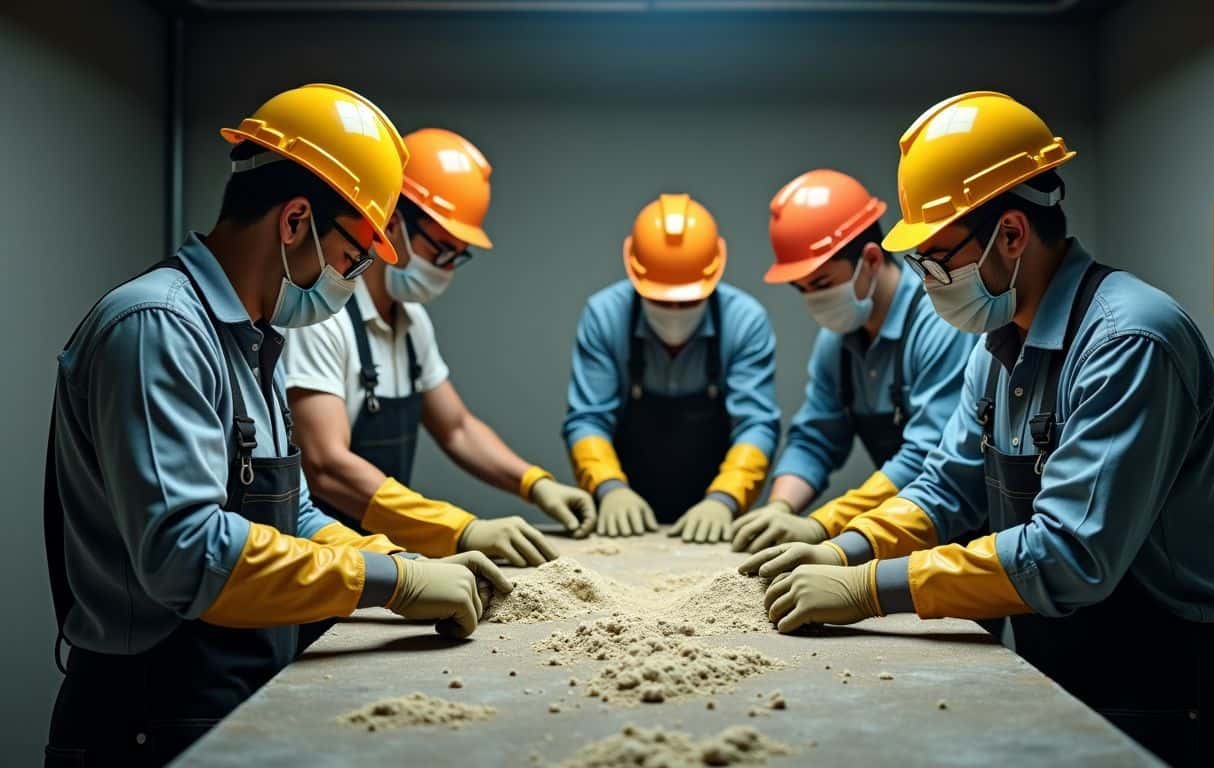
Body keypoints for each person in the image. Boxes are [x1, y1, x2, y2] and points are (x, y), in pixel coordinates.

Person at [742, 92, 1214, 766]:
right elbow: (945, 487)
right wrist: (845, 546)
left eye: (936, 260)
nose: (927, 282)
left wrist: (869, 588)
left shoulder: (1129, 340)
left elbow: (1070, 555)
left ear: (1011, 235)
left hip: (1164, 680)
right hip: (1061, 658)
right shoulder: (999, 344)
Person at [43, 85, 510, 766]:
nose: (354, 279)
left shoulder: (252, 340)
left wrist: (397, 558)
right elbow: (189, 556)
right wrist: (388, 585)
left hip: (225, 687)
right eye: (354, 258)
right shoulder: (159, 330)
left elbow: (288, 511)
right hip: (145, 714)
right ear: (294, 222)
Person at [285, 128, 594, 574]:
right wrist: (460, 528)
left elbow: (457, 428)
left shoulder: (411, 322)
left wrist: (535, 483)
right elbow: (327, 465)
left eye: (458, 256)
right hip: (321, 562)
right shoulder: (323, 319)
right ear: (391, 223)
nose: (447, 268)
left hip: (382, 556)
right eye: (443, 250)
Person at [729, 169, 976, 554]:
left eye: (823, 283)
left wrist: (821, 524)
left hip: (966, 533)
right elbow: (816, 437)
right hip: (896, 529)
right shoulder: (837, 342)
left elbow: (927, 454)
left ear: (871, 260)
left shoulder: (939, 323)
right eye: (802, 289)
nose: (813, 299)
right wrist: (780, 507)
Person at [563, 193, 780, 541]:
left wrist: (724, 500)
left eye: (690, 300)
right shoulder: (604, 315)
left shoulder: (745, 320)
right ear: (635, 277)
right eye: (661, 299)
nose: (676, 311)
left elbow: (756, 423)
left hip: (717, 516)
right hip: (621, 516)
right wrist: (610, 487)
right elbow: (587, 418)